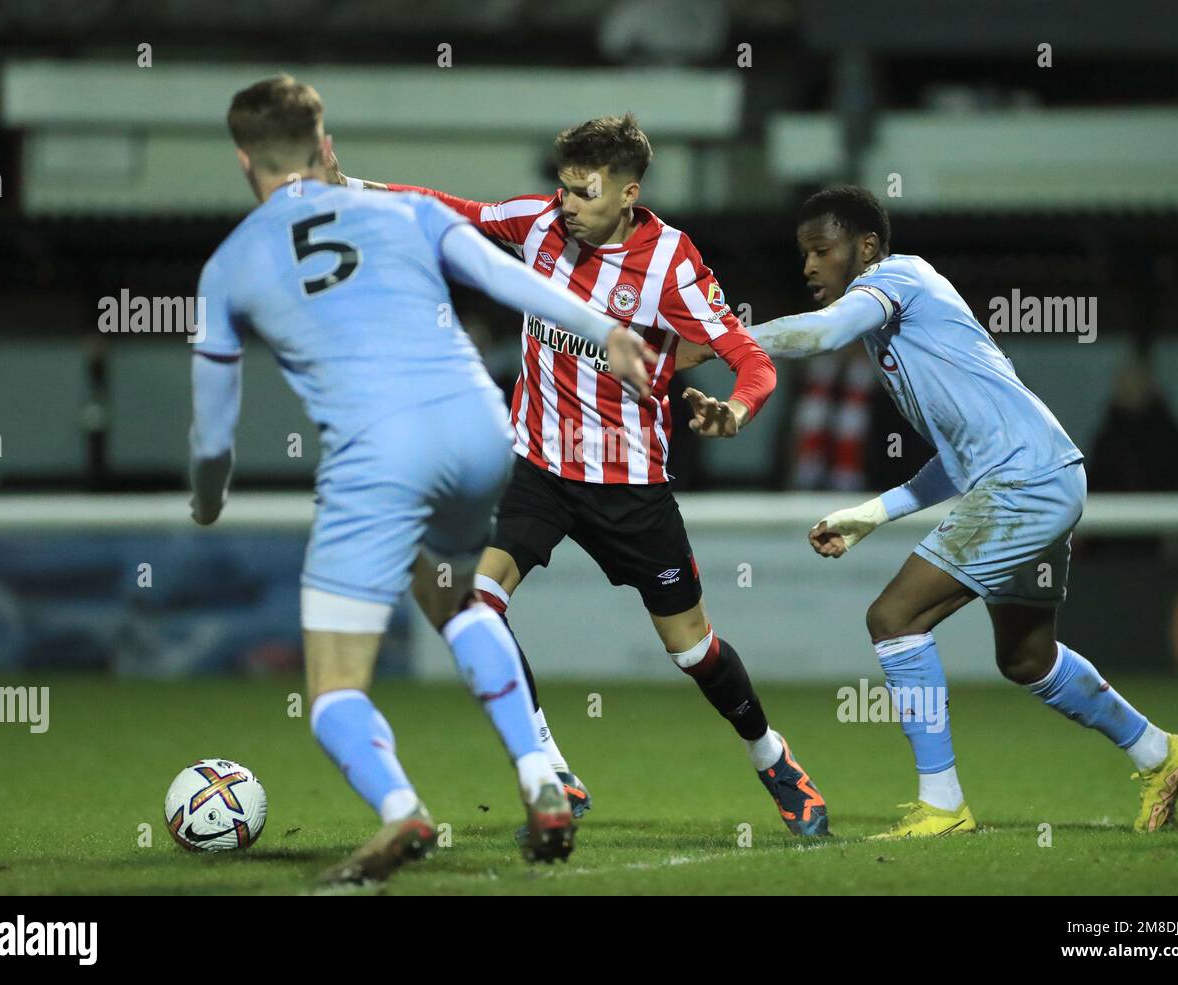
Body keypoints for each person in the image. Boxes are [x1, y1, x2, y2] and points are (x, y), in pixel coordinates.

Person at [188, 75, 652, 883]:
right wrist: (605, 328)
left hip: (380, 452)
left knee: (333, 688)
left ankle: (402, 811)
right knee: (456, 595)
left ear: (242, 160)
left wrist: (208, 498)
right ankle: (541, 775)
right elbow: (505, 278)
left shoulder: (229, 265)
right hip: (480, 428)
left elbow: (211, 435)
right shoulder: (405, 210)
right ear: (324, 146)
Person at [328, 113, 830, 838]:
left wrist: (736, 412)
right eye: (562, 188)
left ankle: (773, 756)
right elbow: (448, 207)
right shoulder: (539, 225)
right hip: (536, 468)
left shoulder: (672, 263)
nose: (566, 204)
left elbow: (753, 360)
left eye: (584, 192)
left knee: (692, 648)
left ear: (629, 192)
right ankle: (550, 764)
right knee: (476, 602)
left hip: (629, 485)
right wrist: (347, 186)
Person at [741, 185, 1178, 837]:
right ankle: (1161, 751)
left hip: (1025, 481)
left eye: (821, 250)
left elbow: (819, 334)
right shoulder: (895, 337)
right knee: (1026, 659)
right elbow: (957, 463)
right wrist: (871, 513)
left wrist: (727, 340)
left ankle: (942, 804)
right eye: (803, 255)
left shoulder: (899, 277)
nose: (810, 266)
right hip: (1037, 474)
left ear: (865, 247)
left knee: (894, 615)